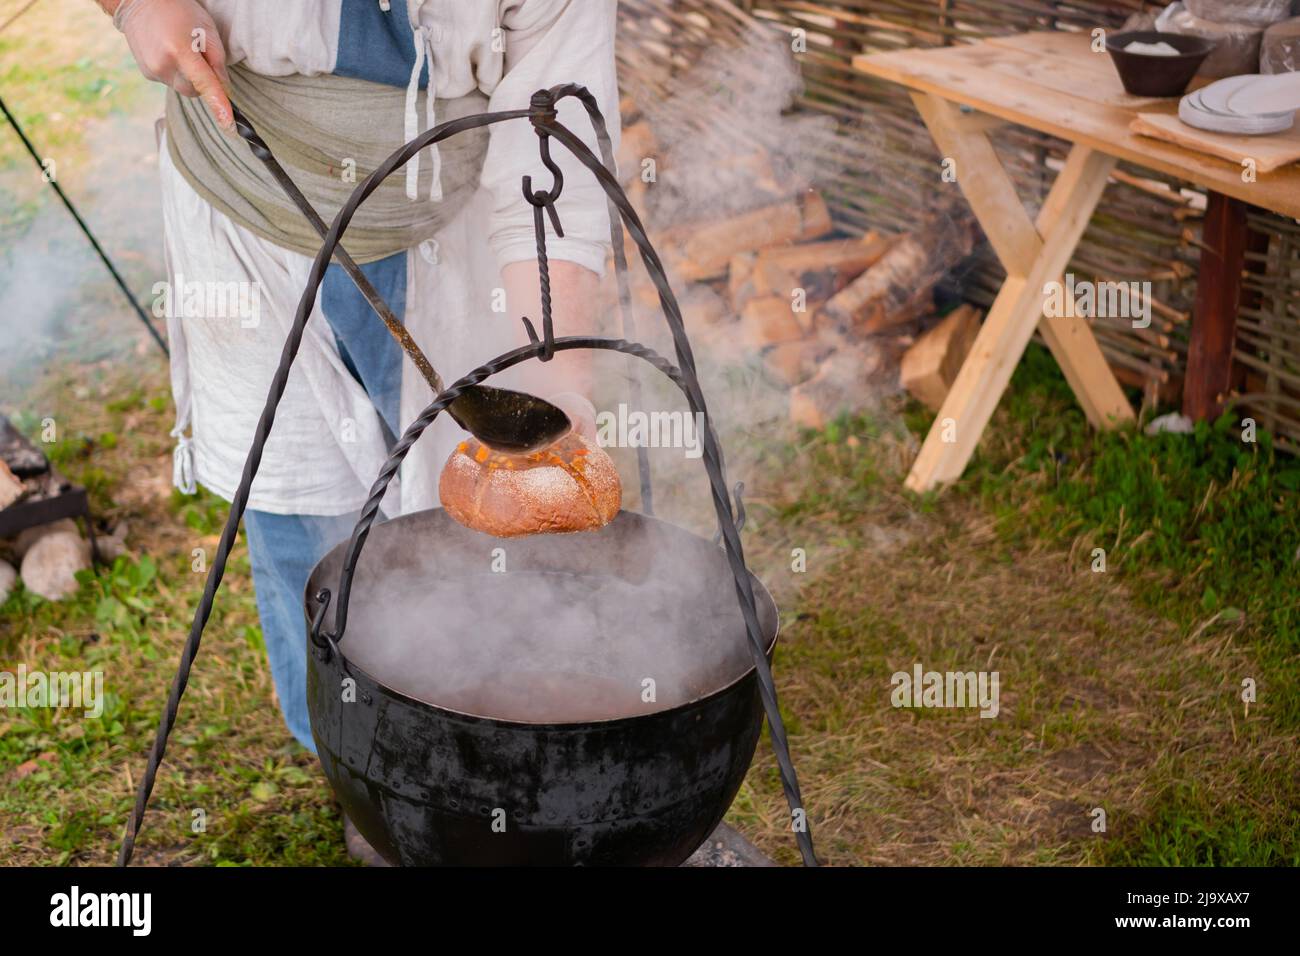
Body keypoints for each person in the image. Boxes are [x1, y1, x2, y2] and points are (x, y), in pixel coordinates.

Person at [98, 0, 619, 862]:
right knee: (310, 520)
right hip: (252, 193)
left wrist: (559, 371)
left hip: (437, 211)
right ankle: (357, 769)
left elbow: (550, 131)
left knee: (462, 516)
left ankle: (479, 750)